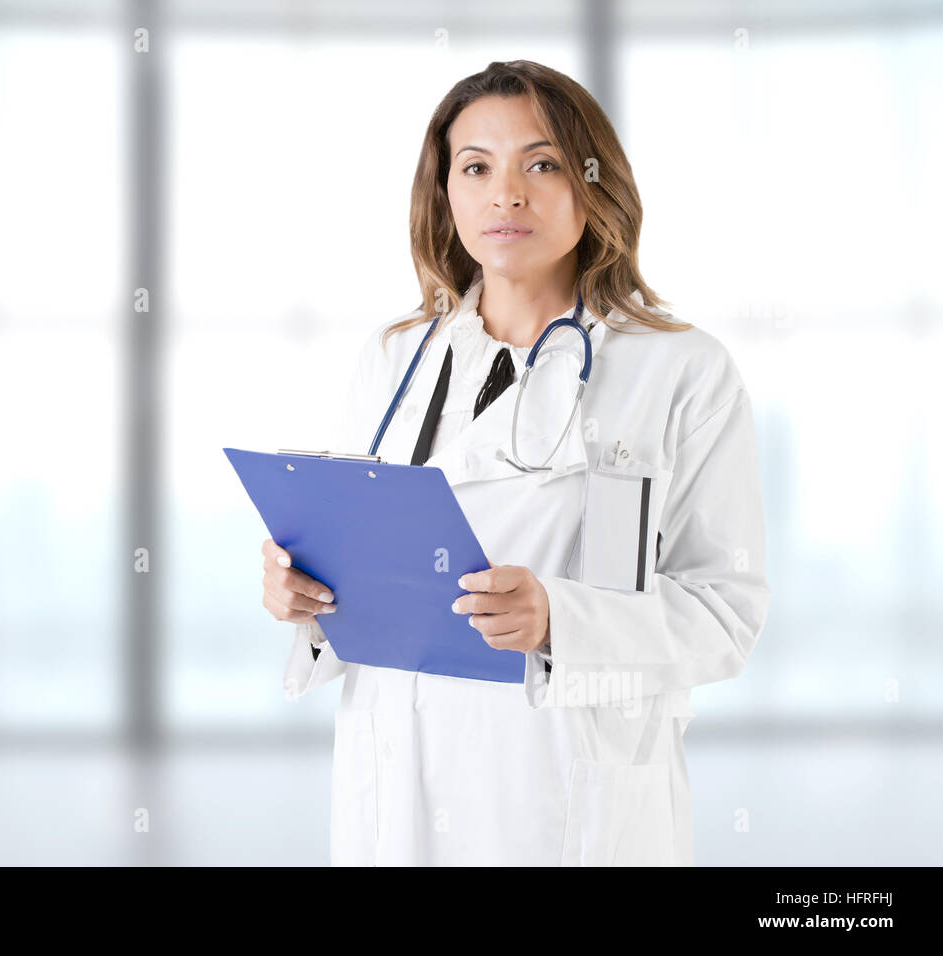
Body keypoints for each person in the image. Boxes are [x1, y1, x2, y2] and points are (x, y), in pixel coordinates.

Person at [259, 60, 769, 866]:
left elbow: (725, 615)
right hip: (399, 782)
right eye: (476, 167)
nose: (507, 194)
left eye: (543, 163)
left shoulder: (681, 371)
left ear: (592, 183)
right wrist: (307, 595)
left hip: (566, 798)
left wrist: (559, 620)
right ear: (446, 193)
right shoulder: (393, 359)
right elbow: (362, 565)